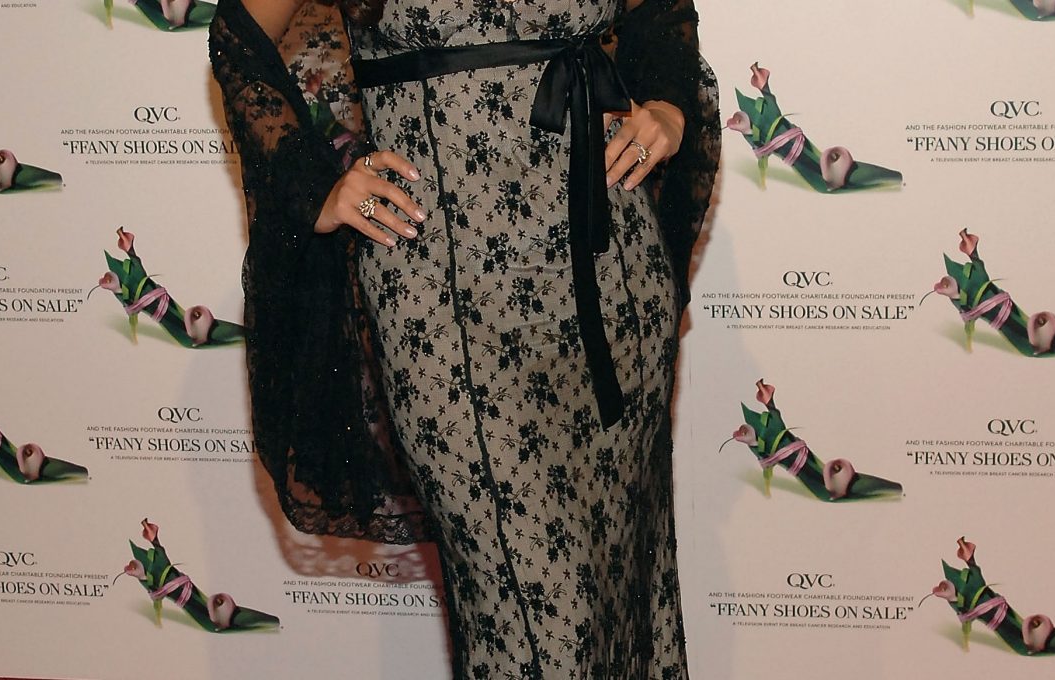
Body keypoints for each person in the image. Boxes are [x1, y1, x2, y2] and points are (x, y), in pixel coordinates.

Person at [209, 0, 719, 677]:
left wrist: (670, 108)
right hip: (445, 305)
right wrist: (314, 183)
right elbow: (239, 36)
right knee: (537, 627)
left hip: (610, 282)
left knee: (622, 605)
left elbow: (661, 13)